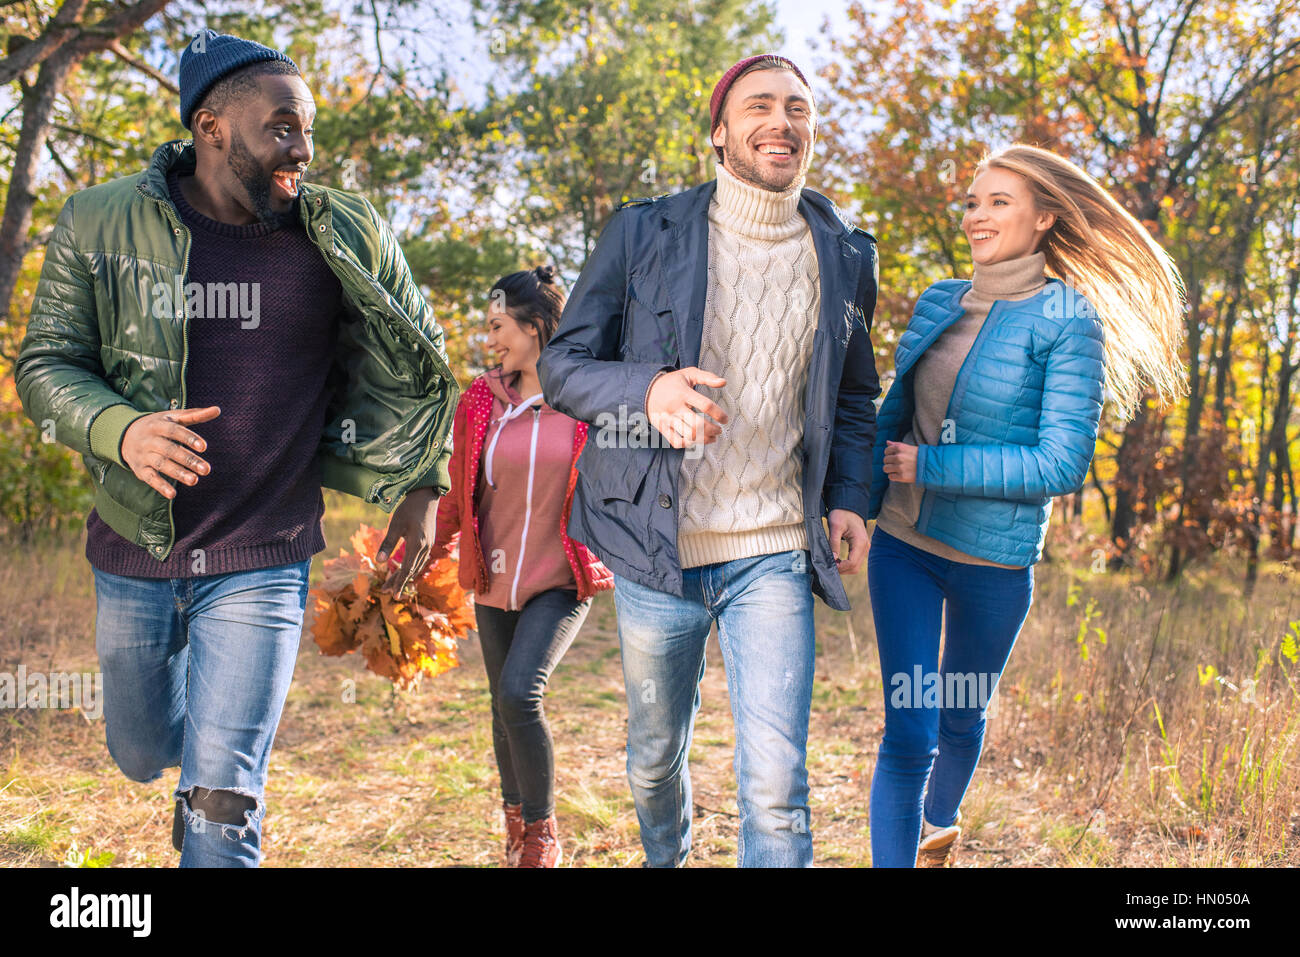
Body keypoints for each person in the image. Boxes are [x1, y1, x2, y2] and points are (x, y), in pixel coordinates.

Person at [14, 30, 459, 867]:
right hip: (136, 549)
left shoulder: (342, 233)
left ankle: (215, 787)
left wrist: (424, 487)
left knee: (225, 802)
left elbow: (422, 359)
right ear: (212, 126)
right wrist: (121, 428)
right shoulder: (101, 219)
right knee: (142, 750)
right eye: (283, 126)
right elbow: (45, 364)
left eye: (309, 130)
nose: (303, 149)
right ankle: (189, 764)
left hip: (265, 553)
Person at [539, 54, 881, 868]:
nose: (783, 122)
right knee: (654, 761)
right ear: (719, 132)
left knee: (775, 783)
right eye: (760, 105)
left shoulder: (844, 255)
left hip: (771, 545)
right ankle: (669, 857)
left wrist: (849, 498)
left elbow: (856, 398)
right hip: (659, 549)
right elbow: (562, 367)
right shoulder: (645, 232)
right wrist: (648, 390)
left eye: (799, 108)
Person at [865, 143, 1187, 867]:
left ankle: (937, 825)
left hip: (993, 559)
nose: (977, 215)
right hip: (903, 544)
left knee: (959, 711)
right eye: (973, 201)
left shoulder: (1069, 319)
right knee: (909, 728)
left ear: (1044, 218)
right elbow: (890, 417)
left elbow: (1061, 462)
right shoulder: (940, 299)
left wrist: (932, 463)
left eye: (998, 202)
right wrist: (852, 500)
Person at [430, 267, 612, 868]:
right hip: (493, 577)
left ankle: (540, 832)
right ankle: (514, 822)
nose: (491, 340)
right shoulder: (482, 400)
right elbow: (459, 488)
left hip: (561, 578)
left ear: (535, 327)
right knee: (498, 702)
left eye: (498, 326)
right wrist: (430, 545)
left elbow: (618, 484)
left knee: (519, 692)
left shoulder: (584, 398)